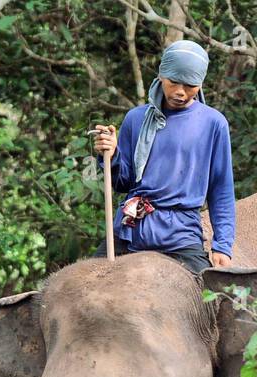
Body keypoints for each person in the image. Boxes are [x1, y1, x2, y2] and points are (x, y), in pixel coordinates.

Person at [91, 39, 235, 275]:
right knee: (85, 287)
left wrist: (223, 246)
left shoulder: (213, 123)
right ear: (161, 76)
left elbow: (221, 189)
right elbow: (123, 183)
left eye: (190, 85)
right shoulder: (135, 119)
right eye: (174, 82)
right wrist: (112, 154)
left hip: (181, 235)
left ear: (200, 84)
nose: (180, 92)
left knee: (212, 300)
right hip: (131, 229)